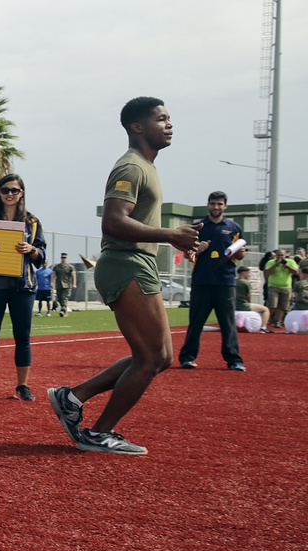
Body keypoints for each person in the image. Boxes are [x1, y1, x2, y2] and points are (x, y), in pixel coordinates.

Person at [47, 96, 200, 455]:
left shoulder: (146, 167)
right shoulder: (131, 167)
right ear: (137, 127)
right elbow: (113, 220)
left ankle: (73, 397)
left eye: (169, 118)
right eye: (161, 119)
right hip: (125, 263)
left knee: (160, 357)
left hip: (136, 262)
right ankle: (99, 433)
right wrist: (170, 235)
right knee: (150, 358)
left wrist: (180, 241)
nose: (169, 124)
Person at [0, 173, 47, 401]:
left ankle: (22, 386)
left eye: (15, 190)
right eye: (5, 190)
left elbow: (41, 255)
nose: (10, 194)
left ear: (22, 192)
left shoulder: (32, 223)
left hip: (23, 286)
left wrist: (30, 249)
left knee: (22, 336)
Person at [178, 191, 246, 371]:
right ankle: (188, 358)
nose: (216, 207)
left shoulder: (234, 228)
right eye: (213, 204)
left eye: (219, 204)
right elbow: (187, 255)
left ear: (225, 206)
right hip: (201, 282)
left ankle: (234, 360)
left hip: (226, 282)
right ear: (208, 205)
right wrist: (196, 250)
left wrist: (240, 254)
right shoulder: (198, 227)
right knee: (196, 322)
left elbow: (239, 255)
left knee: (228, 323)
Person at [264, 249, 299, 329]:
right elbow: (268, 272)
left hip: (286, 286)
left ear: (285, 255)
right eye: (278, 255)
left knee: (283, 306)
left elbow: (296, 272)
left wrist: (287, 266)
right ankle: (266, 320)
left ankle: (277, 321)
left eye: (281, 255)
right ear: (275, 255)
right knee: (272, 305)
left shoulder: (290, 261)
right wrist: (276, 264)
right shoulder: (271, 262)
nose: (280, 257)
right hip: (273, 286)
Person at [235, 266, 271, 333]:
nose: (249, 275)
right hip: (243, 304)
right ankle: (263, 327)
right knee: (265, 309)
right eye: (248, 273)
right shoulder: (245, 282)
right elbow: (249, 296)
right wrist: (249, 304)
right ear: (243, 273)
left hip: (234, 305)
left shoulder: (234, 281)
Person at [52, 253, 76, 317]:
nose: (63, 259)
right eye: (62, 258)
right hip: (59, 285)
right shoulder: (57, 267)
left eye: (64, 258)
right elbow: (53, 274)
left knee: (64, 298)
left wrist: (74, 283)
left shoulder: (70, 267)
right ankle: (65, 311)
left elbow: (73, 275)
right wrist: (52, 282)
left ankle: (63, 310)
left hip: (67, 285)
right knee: (59, 298)